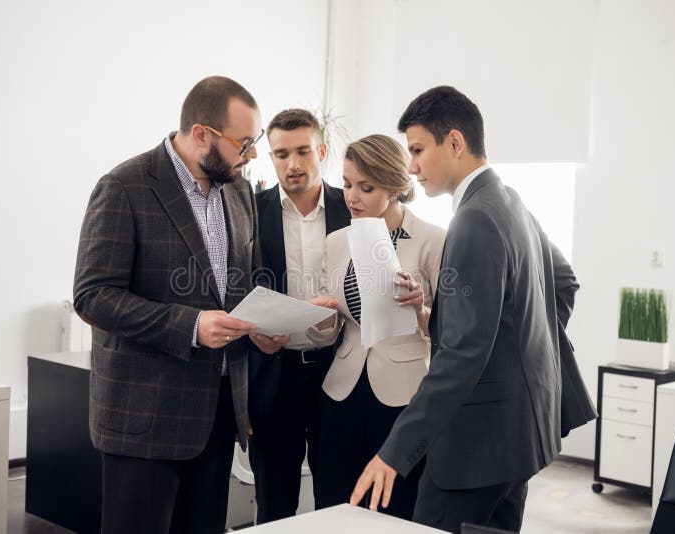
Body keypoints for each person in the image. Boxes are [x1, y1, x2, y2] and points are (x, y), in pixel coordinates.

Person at [350, 86, 579, 533]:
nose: (411, 165)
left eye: (417, 150)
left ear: (455, 142)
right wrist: (518, 358)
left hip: (477, 443)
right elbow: (563, 282)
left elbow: (463, 353)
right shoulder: (510, 200)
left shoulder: (473, 218)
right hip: (522, 435)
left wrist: (393, 453)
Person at [73, 75, 287, 534]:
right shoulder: (123, 187)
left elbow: (244, 285)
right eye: (244, 143)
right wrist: (189, 326)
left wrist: (262, 328)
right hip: (144, 421)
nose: (252, 154)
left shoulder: (239, 191)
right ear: (201, 135)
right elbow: (93, 296)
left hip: (216, 418)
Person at [305, 134, 445, 521]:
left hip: (404, 397)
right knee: (333, 505)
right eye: (348, 184)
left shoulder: (433, 241)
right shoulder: (337, 242)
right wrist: (320, 321)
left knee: (395, 510)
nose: (352, 196)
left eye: (366, 187)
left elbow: (452, 330)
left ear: (396, 186)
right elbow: (329, 332)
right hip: (341, 392)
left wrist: (420, 308)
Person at [247, 109, 351, 523]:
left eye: (303, 151)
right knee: (274, 503)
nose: (293, 164)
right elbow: (234, 291)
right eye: (281, 154)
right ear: (270, 157)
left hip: (337, 372)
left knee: (339, 498)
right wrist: (251, 333)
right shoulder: (250, 211)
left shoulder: (354, 207)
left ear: (321, 151)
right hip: (274, 376)